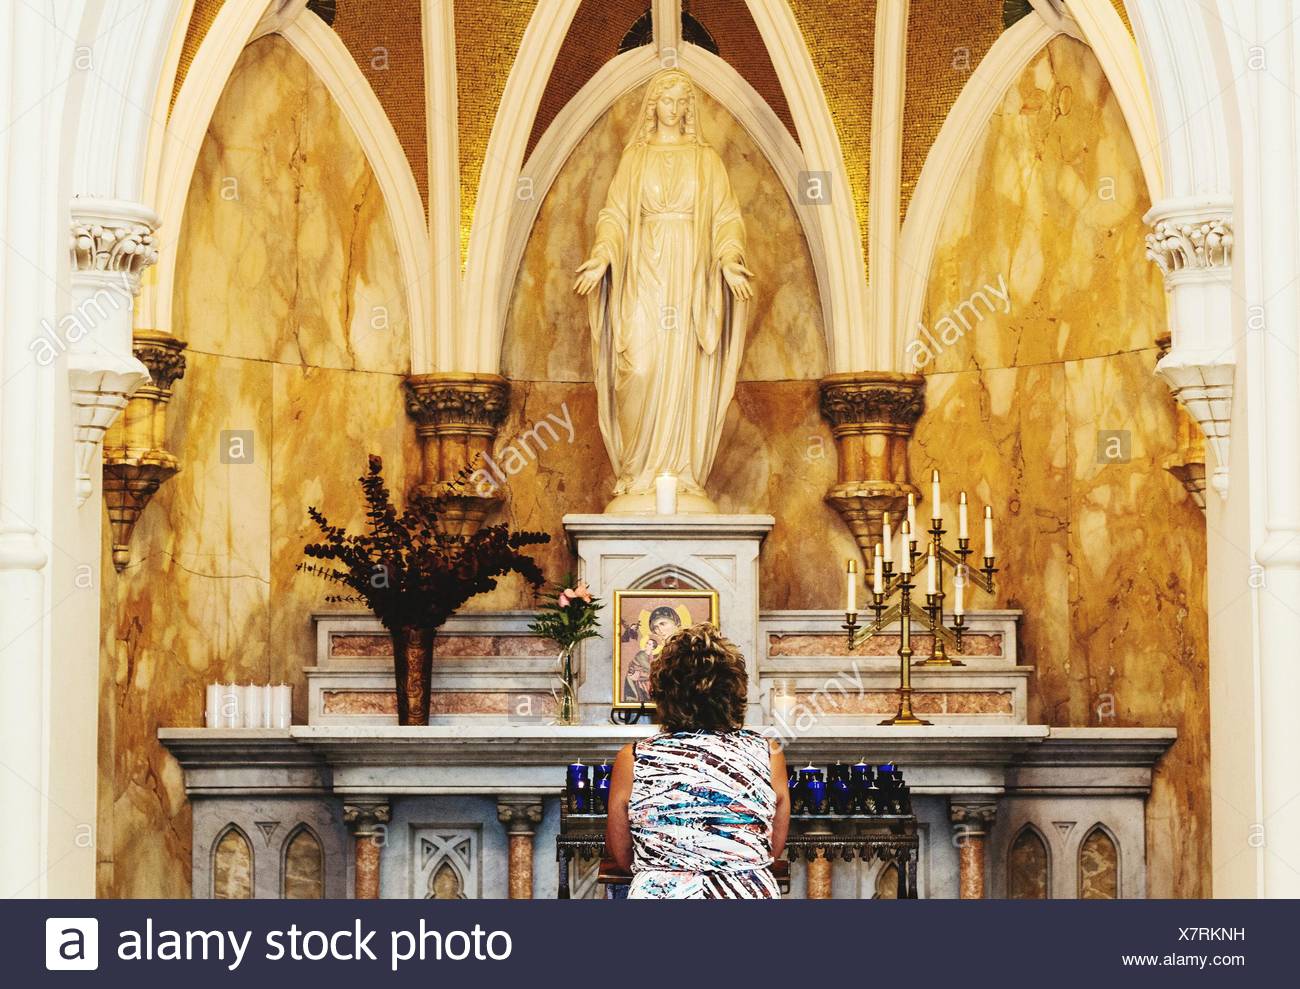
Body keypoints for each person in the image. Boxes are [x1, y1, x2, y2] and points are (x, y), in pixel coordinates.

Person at [574, 68, 753, 513]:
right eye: (665, 101)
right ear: (652, 105)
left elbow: (727, 218)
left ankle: (682, 472)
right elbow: (613, 215)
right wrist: (602, 257)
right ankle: (637, 472)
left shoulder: (706, 160)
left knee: (684, 370)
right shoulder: (635, 159)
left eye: (680, 102)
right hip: (643, 273)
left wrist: (729, 259)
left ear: (687, 109)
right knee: (638, 367)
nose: (672, 110)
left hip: (690, 277)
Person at [605, 623, 789, 898]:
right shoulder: (767, 753)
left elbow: (621, 854)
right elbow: (771, 848)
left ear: (662, 692)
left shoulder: (632, 758)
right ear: (735, 690)